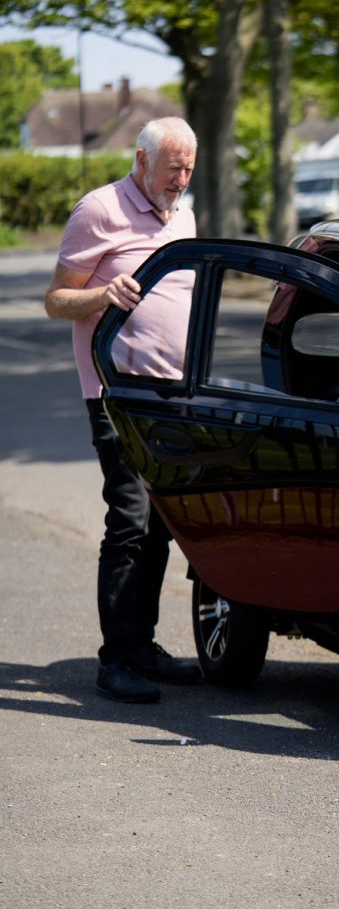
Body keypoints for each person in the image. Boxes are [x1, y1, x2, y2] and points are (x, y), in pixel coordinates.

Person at [45, 116, 201, 703]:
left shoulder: (182, 213)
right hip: (117, 394)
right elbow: (56, 299)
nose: (181, 180)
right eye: (172, 168)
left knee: (161, 524)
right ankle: (115, 661)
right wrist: (103, 294)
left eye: (188, 169)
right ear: (141, 160)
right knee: (130, 521)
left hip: (174, 394)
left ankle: (141, 646)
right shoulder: (100, 209)